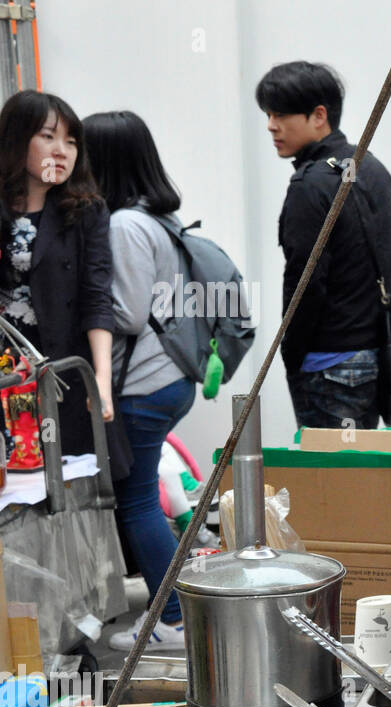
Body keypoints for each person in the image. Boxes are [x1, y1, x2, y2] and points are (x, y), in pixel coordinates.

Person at [83, 111, 194, 651]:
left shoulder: (125, 224)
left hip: (144, 384)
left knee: (139, 504)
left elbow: (126, 316)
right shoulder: (158, 218)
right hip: (170, 376)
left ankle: (173, 620)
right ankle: (173, 607)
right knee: (147, 500)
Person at [255, 61, 391, 429]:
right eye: (268, 114)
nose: (271, 125)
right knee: (356, 478)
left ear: (319, 115)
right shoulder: (372, 169)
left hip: (327, 364)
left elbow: (305, 281)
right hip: (372, 356)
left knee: (330, 483)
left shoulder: (311, 185)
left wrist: (293, 353)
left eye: (282, 114)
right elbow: (390, 260)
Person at [0, 91, 113, 458]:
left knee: (68, 477)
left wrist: (101, 380)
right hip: (6, 371)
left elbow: (97, 296)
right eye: (48, 136)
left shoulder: (85, 212)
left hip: (60, 368)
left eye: (71, 141)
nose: (62, 150)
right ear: (16, 139)